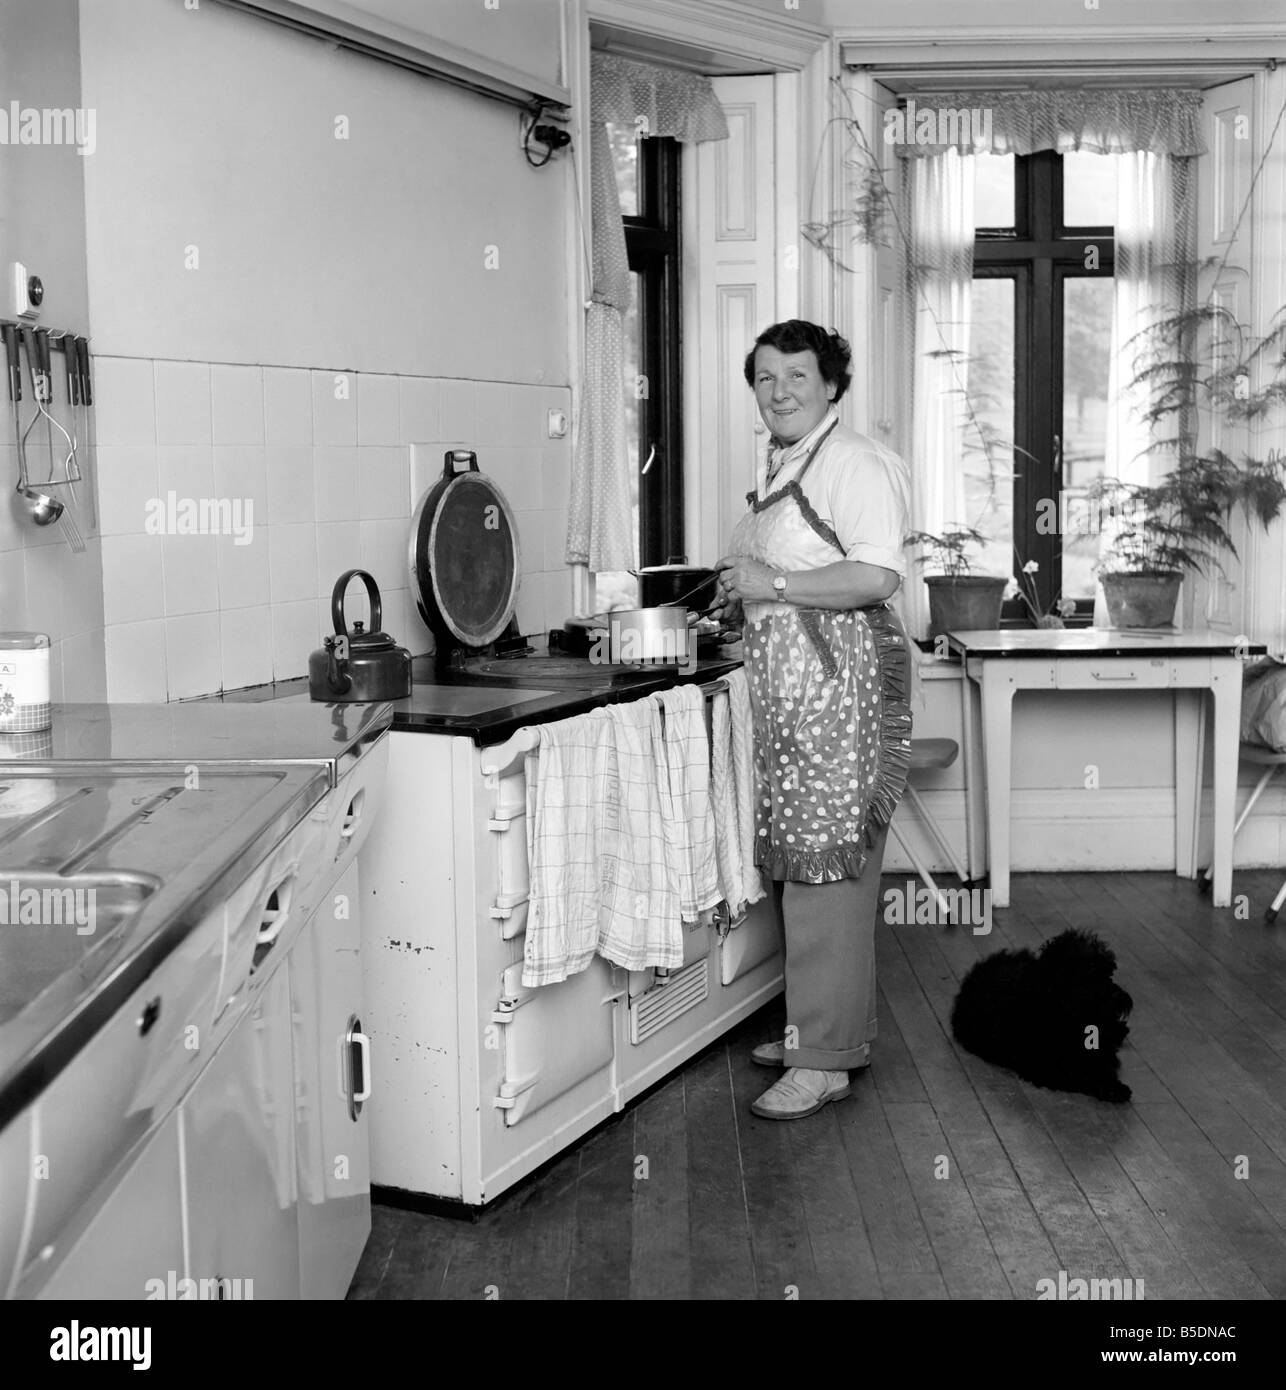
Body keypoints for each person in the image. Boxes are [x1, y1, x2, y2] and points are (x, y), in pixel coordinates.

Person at [711, 319, 913, 1120]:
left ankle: (823, 1060)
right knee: (799, 862)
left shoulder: (853, 462)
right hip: (793, 697)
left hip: (842, 696)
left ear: (832, 384)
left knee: (830, 866)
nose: (779, 391)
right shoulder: (786, 461)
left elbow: (876, 574)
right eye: (764, 378)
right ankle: (818, 1033)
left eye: (797, 375)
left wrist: (774, 587)